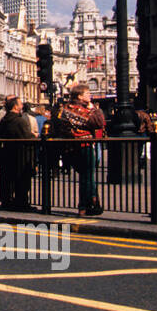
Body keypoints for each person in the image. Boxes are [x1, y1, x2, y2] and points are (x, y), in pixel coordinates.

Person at [56, 83, 107, 217]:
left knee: (87, 175)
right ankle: (84, 206)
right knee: (87, 177)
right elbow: (99, 122)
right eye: (87, 93)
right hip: (85, 145)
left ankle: (93, 203)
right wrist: (94, 109)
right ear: (79, 96)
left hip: (71, 147)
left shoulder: (65, 109)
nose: (89, 95)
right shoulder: (80, 110)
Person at [0, 97, 36, 210]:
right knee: (22, 179)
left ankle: (7, 201)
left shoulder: (4, 120)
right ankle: (21, 203)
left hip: (7, 153)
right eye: (20, 104)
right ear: (15, 106)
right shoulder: (19, 121)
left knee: (8, 179)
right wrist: (34, 136)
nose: (22, 106)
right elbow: (27, 137)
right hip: (21, 154)